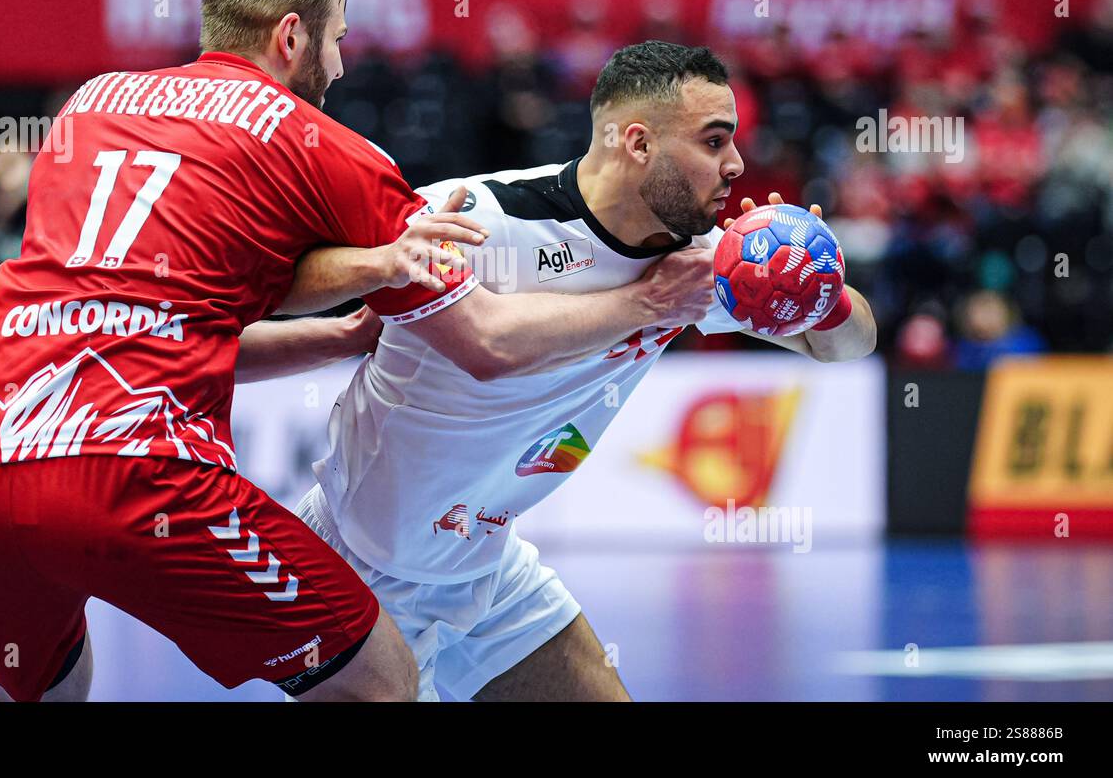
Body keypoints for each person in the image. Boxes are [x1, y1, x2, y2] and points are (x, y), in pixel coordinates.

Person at [0, 0, 713, 702]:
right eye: (337, 40)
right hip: (137, 472)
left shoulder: (91, 105)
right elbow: (484, 343)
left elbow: (162, 324)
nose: (339, 67)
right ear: (292, 35)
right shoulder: (326, 146)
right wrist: (646, 301)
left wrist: (339, 335)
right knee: (380, 680)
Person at [278, 42, 878, 700]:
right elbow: (484, 345)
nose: (735, 164)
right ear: (640, 143)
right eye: (714, 141)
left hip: (482, 567)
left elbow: (847, 347)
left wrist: (817, 287)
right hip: (357, 569)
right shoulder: (479, 217)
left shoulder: (699, 266)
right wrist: (643, 304)